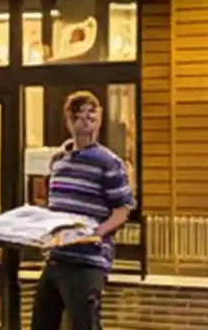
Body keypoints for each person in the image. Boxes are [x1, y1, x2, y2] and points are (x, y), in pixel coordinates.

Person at [30, 90, 135, 330]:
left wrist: (97, 231)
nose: (87, 121)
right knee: (41, 323)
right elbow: (54, 205)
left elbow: (122, 209)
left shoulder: (108, 162)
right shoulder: (58, 160)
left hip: (88, 260)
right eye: (81, 116)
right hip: (57, 257)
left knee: (84, 324)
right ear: (69, 119)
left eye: (92, 115)